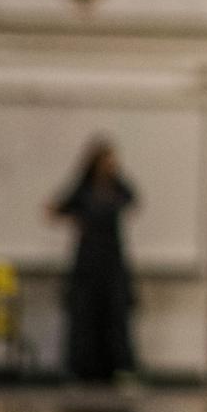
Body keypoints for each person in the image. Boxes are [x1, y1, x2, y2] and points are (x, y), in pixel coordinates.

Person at [48, 137, 137, 384]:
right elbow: (54, 209)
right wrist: (75, 217)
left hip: (112, 261)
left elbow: (133, 199)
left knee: (116, 316)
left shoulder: (117, 186)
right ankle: (80, 369)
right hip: (87, 262)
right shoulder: (83, 188)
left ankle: (120, 369)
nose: (111, 164)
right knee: (84, 317)